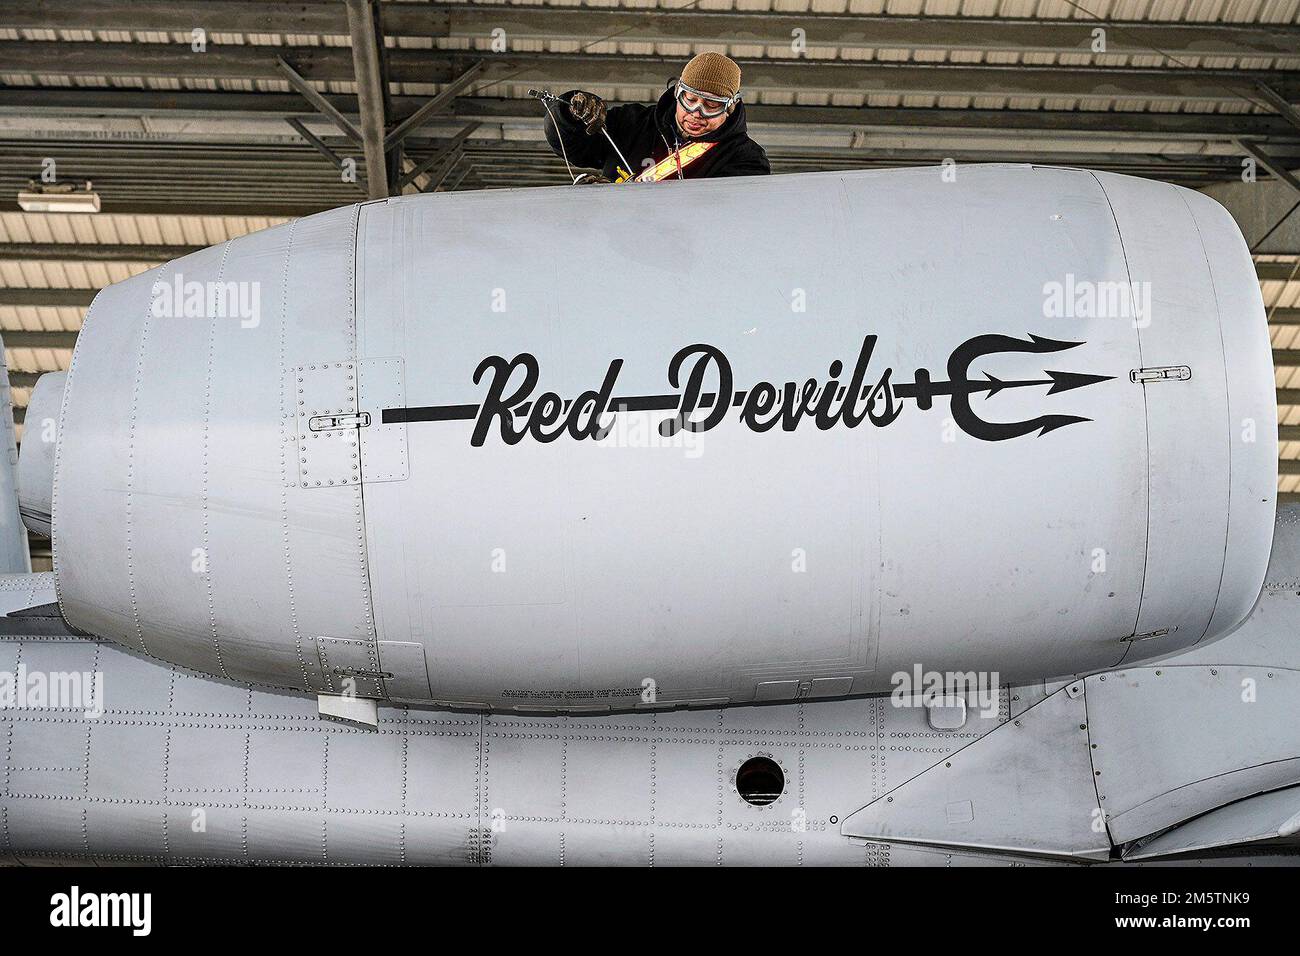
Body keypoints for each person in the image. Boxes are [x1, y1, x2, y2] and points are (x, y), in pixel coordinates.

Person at [543, 52, 770, 183]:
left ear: (730, 107)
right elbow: (573, 146)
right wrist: (569, 115)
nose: (696, 114)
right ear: (678, 92)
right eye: (690, 100)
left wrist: (625, 199)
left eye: (711, 105)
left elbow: (726, 217)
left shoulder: (745, 158)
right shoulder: (634, 123)